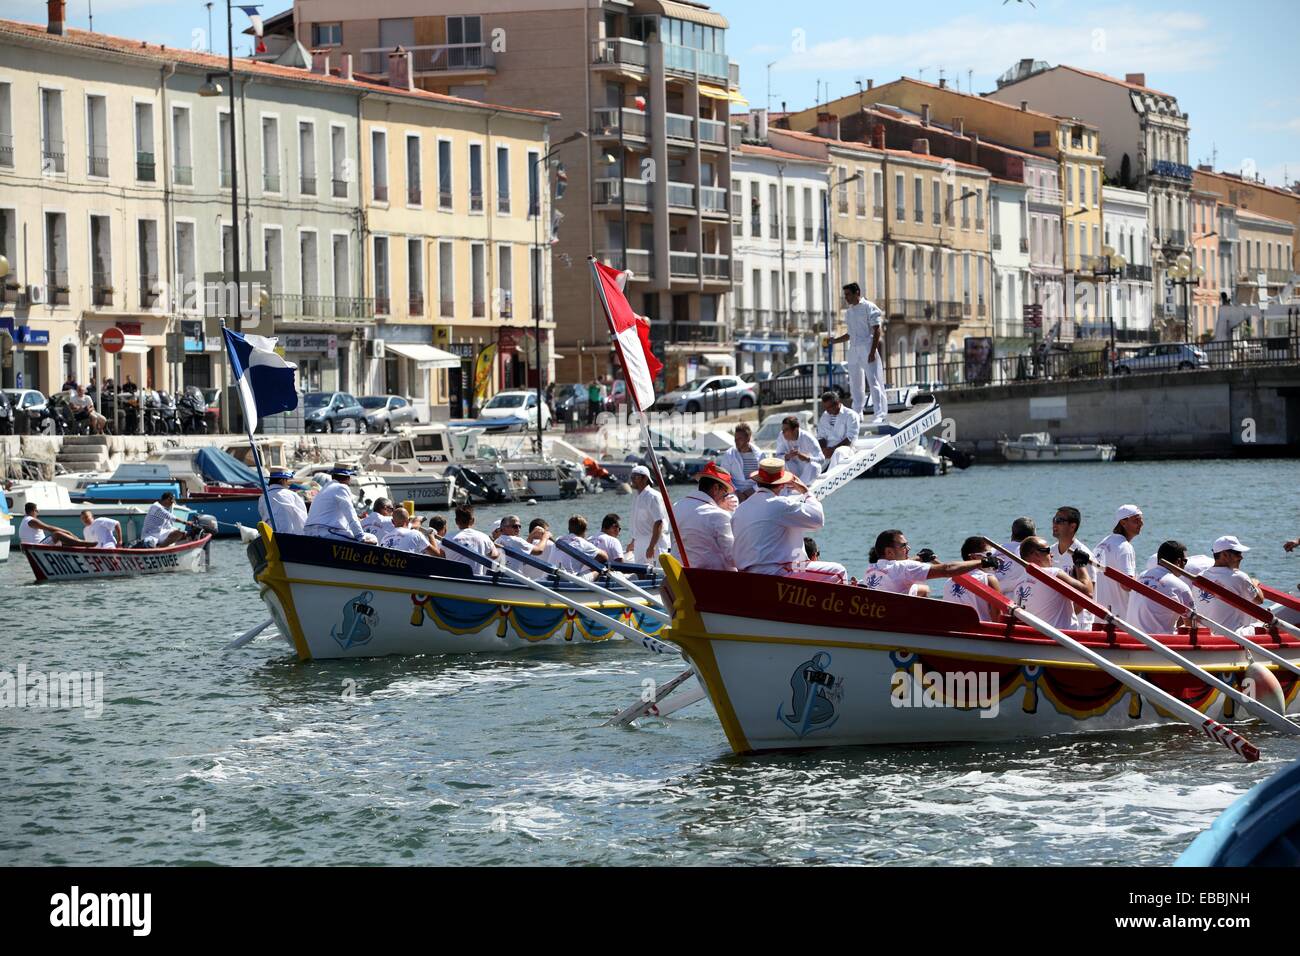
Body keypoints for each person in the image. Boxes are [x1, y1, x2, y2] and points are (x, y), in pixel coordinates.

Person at [730, 458, 846, 583]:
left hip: (747, 575)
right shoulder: (780, 504)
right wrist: (806, 492)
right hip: (776, 572)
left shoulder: (741, 508)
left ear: (758, 482)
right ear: (782, 484)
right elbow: (818, 520)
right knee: (839, 571)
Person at [860, 530, 998, 595]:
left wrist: (920, 558)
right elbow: (947, 569)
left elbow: (899, 566)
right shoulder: (904, 567)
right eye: (904, 546)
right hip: (898, 625)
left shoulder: (871, 568)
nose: (908, 548)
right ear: (889, 552)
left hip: (882, 619)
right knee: (923, 589)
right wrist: (983, 562)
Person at [828, 282, 887, 422]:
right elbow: (850, 334)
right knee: (855, 382)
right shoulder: (849, 312)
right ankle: (857, 411)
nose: (846, 298)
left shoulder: (870, 307)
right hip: (853, 348)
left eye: (848, 294)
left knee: (873, 381)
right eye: (845, 295)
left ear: (857, 293)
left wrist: (872, 352)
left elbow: (877, 331)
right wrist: (834, 341)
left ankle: (879, 413)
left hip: (867, 346)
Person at [1014, 536, 1094, 629]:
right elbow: (1088, 593)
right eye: (1048, 550)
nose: (1051, 554)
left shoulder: (1019, 582)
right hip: (1062, 639)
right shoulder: (1053, 573)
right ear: (1036, 554)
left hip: (1036, 636)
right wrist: (1079, 564)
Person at [1191, 535, 1265, 634]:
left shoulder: (1200, 577)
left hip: (1207, 635)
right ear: (1224, 554)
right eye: (1237, 553)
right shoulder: (1240, 577)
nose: (1241, 557)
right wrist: (1254, 583)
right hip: (1232, 635)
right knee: (1264, 623)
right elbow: (1259, 600)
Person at [674, 462, 737, 571]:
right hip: (711, 580)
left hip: (680, 574)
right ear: (716, 488)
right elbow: (732, 557)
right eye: (725, 494)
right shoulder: (719, 515)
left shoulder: (677, 506)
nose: (725, 498)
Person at [1129, 540, 1195, 635]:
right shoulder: (1181, 587)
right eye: (1185, 561)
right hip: (1159, 643)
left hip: (1132, 636)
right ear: (1179, 561)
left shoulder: (1141, 576)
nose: (1185, 565)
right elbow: (1191, 625)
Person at [1093, 505, 1142, 617]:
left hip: (1098, 614)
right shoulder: (1125, 547)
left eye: (1141, 520)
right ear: (1123, 523)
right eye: (1136, 520)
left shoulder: (1101, 544)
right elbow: (1127, 584)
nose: (1141, 524)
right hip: (1120, 616)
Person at [1049, 507, 1095, 628]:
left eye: (1059, 520)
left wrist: (1066, 616)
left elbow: (1087, 595)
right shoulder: (1050, 552)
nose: (1054, 523)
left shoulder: (1084, 555)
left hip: (1079, 622)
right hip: (1057, 619)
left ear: (1072, 526)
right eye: (1054, 519)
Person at [941, 536, 1005, 621]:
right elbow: (997, 617)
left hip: (956, 629)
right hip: (981, 631)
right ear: (973, 557)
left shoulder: (949, 582)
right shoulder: (989, 579)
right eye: (988, 554)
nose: (992, 558)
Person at [303, 466, 370, 542]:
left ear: (333, 476)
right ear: (348, 478)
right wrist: (360, 536)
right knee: (372, 538)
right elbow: (350, 514)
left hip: (309, 532)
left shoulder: (324, 489)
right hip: (326, 532)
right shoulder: (341, 487)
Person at [628, 465, 672, 561]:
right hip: (639, 543)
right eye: (631, 476)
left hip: (653, 543)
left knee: (654, 572)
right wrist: (633, 542)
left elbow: (659, 522)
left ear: (645, 478)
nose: (632, 479)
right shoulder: (637, 497)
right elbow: (639, 523)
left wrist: (652, 546)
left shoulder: (653, 496)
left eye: (635, 476)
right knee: (640, 572)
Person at [444, 505, 500, 577]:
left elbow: (438, 555)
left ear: (456, 521)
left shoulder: (448, 538)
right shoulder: (485, 537)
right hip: (477, 580)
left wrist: (431, 537)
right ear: (473, 520)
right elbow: (495, 555)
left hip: (454, 578)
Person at [991, 516, 1037, 598]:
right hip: (1016, 600)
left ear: (1012, 533)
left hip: (993, 598)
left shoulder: (993, 550)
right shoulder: (1033, 555)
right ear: (1034, 536)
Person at [718, 422, 764, 501]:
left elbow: (764, 476)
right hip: (734, 493)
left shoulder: (760, 454)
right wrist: (737, 492)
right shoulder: (729, 454)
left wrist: (753, 490)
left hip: (756, 492)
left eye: (740, 439)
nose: (736, 442)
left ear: (748, 438)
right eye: (735, 439)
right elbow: (724, 477)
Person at [816, 390, 860, 471]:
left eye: (829, 408)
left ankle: (829, 478)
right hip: (828, 449)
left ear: (837, 403)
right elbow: (821, 437)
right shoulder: (825, 415)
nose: (827, 411)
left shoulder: (851, 415)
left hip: (846, 449)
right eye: (825, 408)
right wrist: (824, 449)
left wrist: (832, 450)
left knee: (837, 453)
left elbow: (850, 439)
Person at [775, 415, 822, 486]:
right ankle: (793, 487)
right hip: (793, 471)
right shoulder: (781, 436)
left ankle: (799, 487)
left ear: (796, 429)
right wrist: (787, 456)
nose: (783, 433)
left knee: (814, 466)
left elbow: (822, 459)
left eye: (786, 430)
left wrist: (807, 458)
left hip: (808, 471)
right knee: (783, 463)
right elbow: (778, 457)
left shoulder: (808, 437)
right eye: (783, 430)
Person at [258, 470, 308, 535]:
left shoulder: (262, 497)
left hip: (271, 536)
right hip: (292, 537)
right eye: (287, 480)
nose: (287, 483)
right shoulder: (292, 495)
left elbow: (262, 514)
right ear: (282, 480)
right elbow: (303, 517)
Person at [18, 503, 87, 548]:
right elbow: (49, 528)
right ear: (33, 511)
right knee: (57, 534)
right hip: (38, 546)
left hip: (34, 546)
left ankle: (81, 546)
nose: (38, 512)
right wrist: (68, 532)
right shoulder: (31, 520)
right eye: (36, 510)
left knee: (63, 541)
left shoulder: (24, 520)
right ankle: (82, 543)